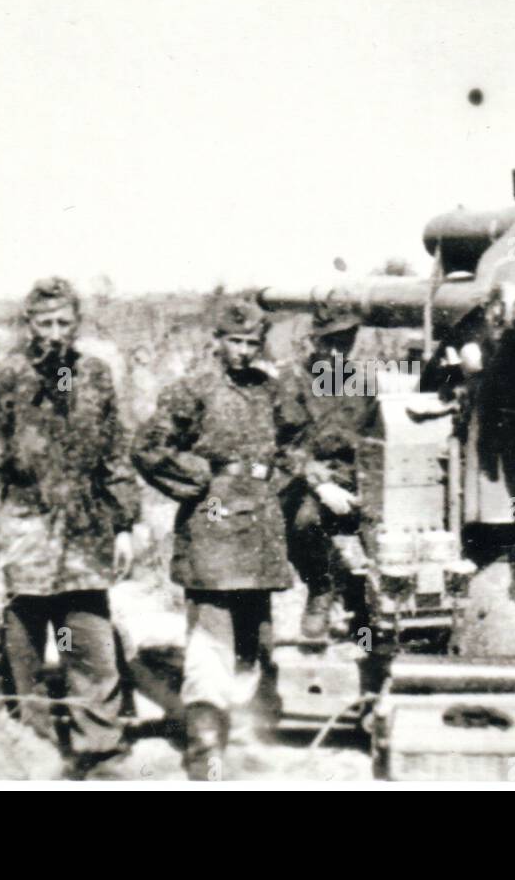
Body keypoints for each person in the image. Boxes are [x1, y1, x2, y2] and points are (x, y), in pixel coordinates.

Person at [131, 298, 308, 780]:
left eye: (252, 343)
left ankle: (252, 734)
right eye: (235, 341)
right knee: (211, 633)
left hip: (261, 527)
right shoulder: (192, 389)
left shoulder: (272, 391)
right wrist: (199, 480)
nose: (243, 352)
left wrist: (277, 483)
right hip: (211, 522)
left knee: (254, 636)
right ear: (217, 340)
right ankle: (205, 749)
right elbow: (148, 447)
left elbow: (297, 441)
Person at [0, 276, 139, 777]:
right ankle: (34, 748)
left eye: (64, 323)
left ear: (77, 324)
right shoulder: (3, 378)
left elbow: (114, 454)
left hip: (85, 528)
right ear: (28, 325)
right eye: (45, 323)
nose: (55, 333)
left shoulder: (96, 375)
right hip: (23, 524)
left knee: (89, 640)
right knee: (25, 645)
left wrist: (126, 523)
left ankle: (100, 749)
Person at [281, 303, 373, 639]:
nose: (337, 350)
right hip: (310, 479)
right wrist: (321, 485)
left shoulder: (362, 380)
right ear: (314, 342)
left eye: (345, 340)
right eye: (329, 341)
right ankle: (320, 589)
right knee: (304, 521)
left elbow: (375, 435)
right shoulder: (293, 381)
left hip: (359, 476)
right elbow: (283, 446)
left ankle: (366, 612)